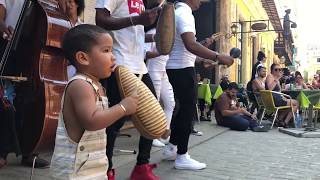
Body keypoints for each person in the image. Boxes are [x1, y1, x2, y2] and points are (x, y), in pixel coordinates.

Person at [50, 24, 138, 179]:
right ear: (83, 58)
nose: (113, 56)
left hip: (92, 167)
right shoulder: (80, 85)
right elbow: (92, 121)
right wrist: (123, 107)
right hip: (75, 171)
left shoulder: (97, 85)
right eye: (106, 50)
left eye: (111, 50)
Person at [163, 0, 234, 171]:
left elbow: (183, 48)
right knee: (186, 114)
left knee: (181, 113)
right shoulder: (184, 13)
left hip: (177, 68)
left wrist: (203, 60)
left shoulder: (176, 12)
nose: (202, 2)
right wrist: (219, 56)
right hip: (182, 70)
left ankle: (172, 148)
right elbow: (191, 44)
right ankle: (182, 156)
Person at [95, 1, 160, 179]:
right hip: (119, 63)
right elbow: (100, 19)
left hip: (139, 64)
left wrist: (153, 35)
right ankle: (105, 169)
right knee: (115, 121)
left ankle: (142, 167)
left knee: (152, 115)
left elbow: (133, 31)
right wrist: (137, 19)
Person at [0, 0, 51, 169]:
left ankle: (30, 149)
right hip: (9, 44)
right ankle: (2, 151)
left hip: (34, 49)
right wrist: (2, 26)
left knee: (30, 100)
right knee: (5, 98)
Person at [144, 25, 175, 147]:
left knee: (170, 103)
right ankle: (152, 136)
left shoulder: (168, 34)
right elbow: (145, 53)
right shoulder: (152, 32)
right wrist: (160, 52)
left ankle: (163, 133)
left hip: (163, 72)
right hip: (153, 71)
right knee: (154, 106)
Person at [57, 0, 85, 79]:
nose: (68, 4)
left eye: (71, 1)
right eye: (65, 1)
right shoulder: (56, 23)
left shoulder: (83, 28)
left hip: (76, 70)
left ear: (78, 4)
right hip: (58, 67)